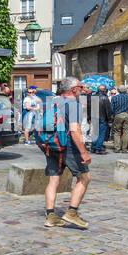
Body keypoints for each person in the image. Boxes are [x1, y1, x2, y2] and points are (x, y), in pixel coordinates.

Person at [39, 76, 92, 230]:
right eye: (80, 87)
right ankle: (72, 212)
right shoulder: (73, 105)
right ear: (73, 89)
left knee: (54, 180)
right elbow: (75, 130)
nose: (82, 90)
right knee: (84, 178)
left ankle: (51, 216)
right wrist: (83, 153)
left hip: (51, 144)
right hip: (67, 145)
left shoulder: (52, 102)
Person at [110, 84, 128, 153]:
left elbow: (111, 108)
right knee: (126, 132)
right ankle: (124, 149)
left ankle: (117, 148)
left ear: (118, 91)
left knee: (117, 132)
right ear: (126, 90)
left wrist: (114, 114)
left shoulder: (114, 98)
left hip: (118, 115)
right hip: (127, 115)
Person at [89, 88, 111, 154]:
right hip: (103, 118)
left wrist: (89, 117)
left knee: (95, 133)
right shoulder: (105, 98)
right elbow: (108, 110)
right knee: (101, 134)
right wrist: (109, 120)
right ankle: (98, 148)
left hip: (94, 117)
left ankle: (93, 148)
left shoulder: (92, 97)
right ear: (104, 91)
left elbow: (89, 108)